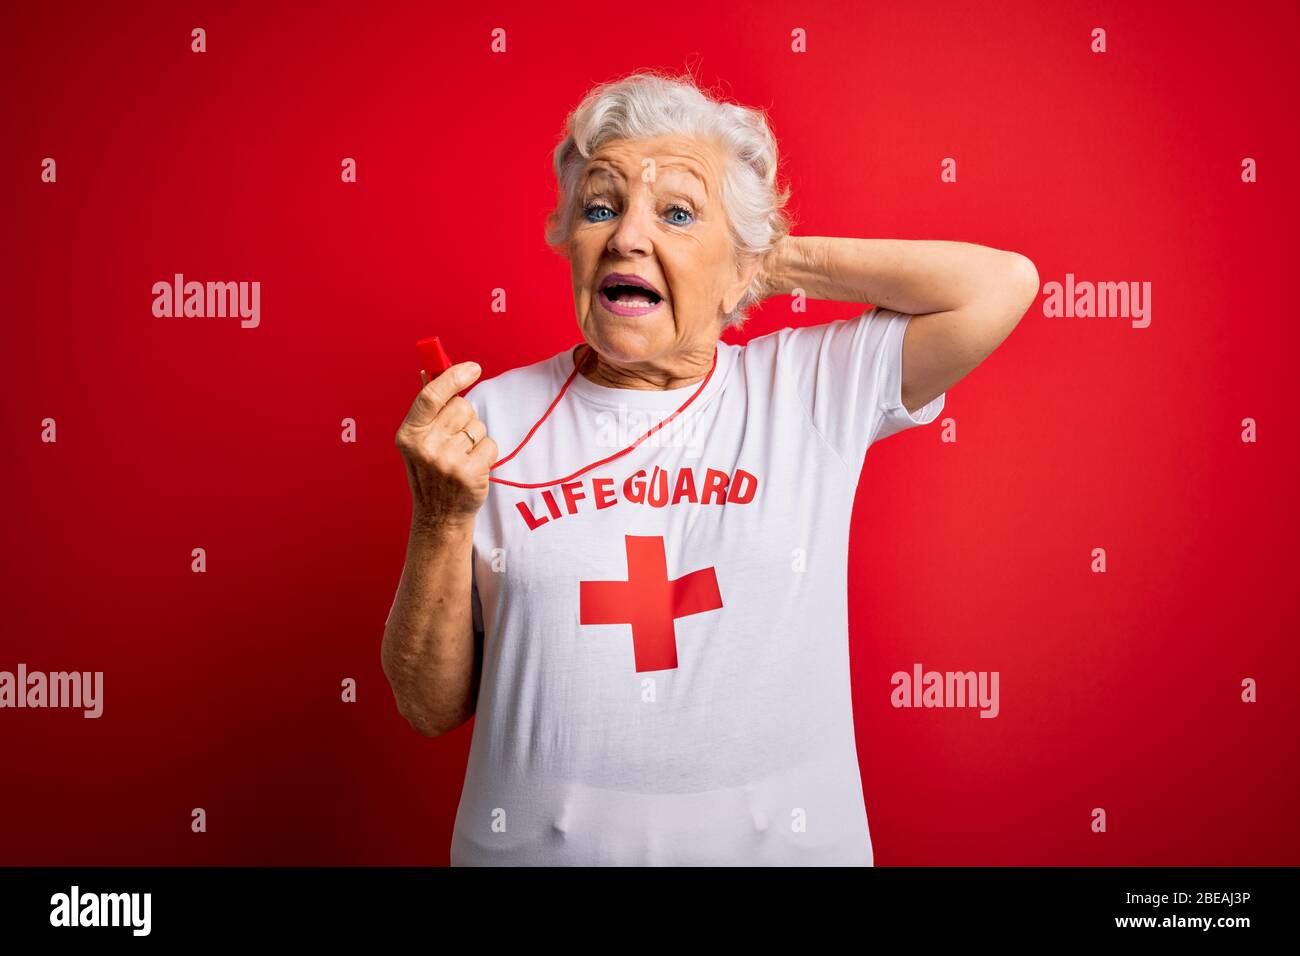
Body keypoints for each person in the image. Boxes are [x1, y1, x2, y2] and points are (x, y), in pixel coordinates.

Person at [382, 70, 1038, 865]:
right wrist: (443, 516)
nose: (626, 236)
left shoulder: (805, 389)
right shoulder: (488, 421)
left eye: (678, 213)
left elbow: (1000, 286)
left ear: (740, 267)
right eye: (600, 207)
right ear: (571, 243)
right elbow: (426, 704)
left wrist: (762, 256)